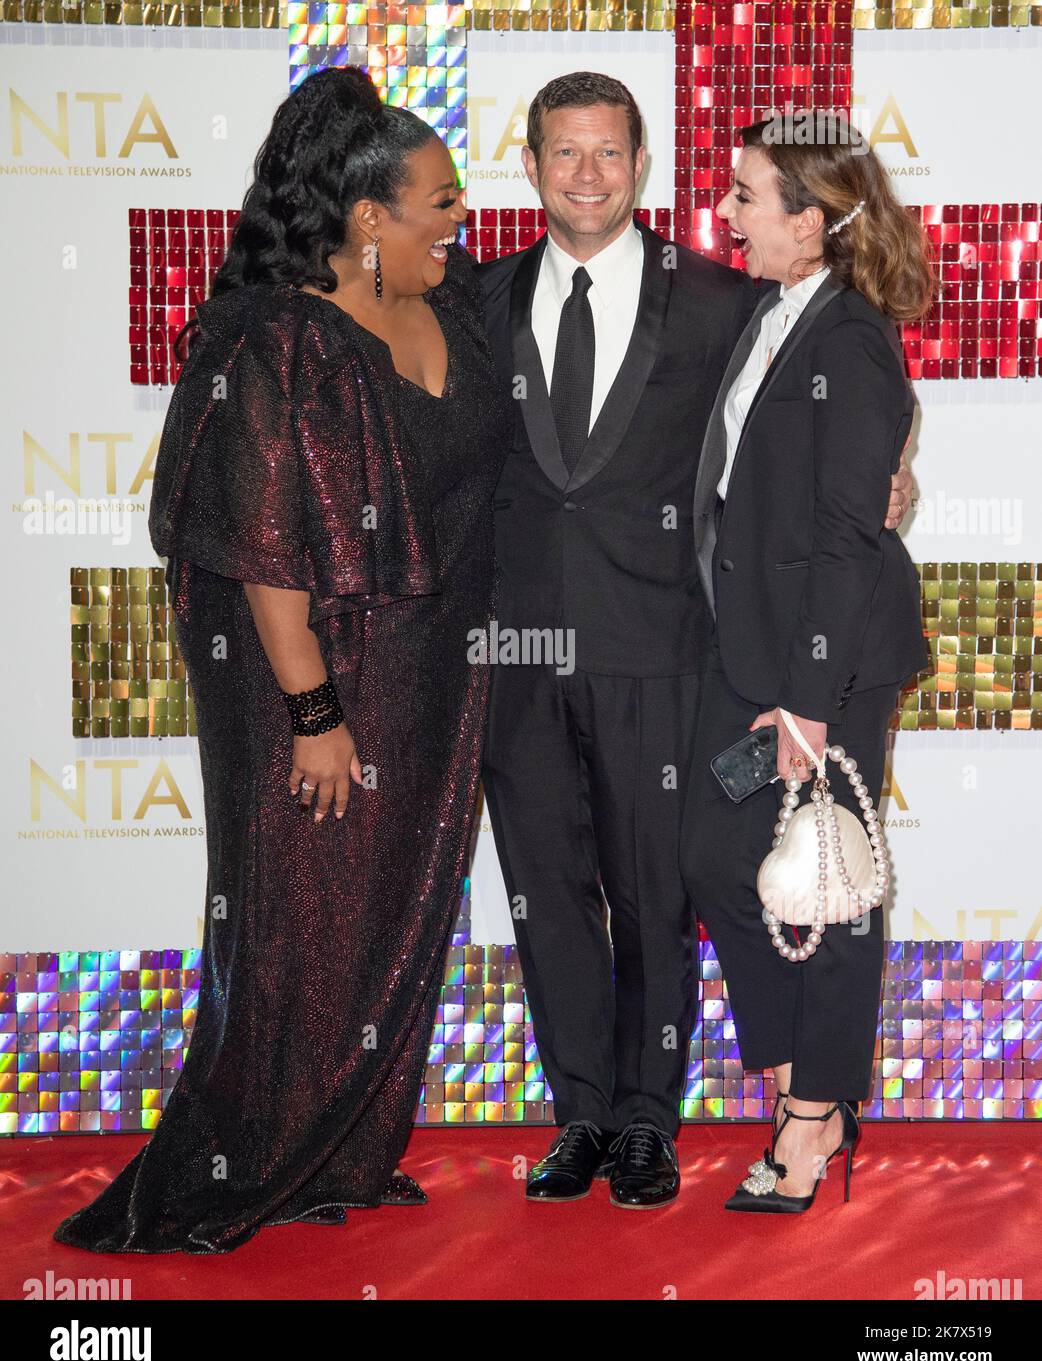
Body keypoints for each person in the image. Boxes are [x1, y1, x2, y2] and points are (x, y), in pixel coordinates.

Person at [53, 66, 510, 1254]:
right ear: (369, 218)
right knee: (296, 923)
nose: (459, 221)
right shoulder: (276, 340)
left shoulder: (454, 307)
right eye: (440, 202)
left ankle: (341, 1147)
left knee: (394, 914)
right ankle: (242, 1157)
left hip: (432, 681)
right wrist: (315, 712)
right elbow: (262, 552)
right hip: (311, 679)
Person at [477, 75, 914, 1209]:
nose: (725, 213)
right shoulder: (488, 301)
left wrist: (880, 497)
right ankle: (678, 1096)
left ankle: (782, 1116)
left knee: (808, 877)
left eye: (609, 153)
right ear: (528, 165)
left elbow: (844, 487)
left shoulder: (729, 297)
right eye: (562, 153)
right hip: (593, 652)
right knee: (674, 869)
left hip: (734, 653)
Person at [679, 112, 933, 1213]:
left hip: (824, 664)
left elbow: (845, 537)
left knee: (828, 885)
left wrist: (811, 704)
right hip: (750, 651)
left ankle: (815, 1114)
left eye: (744, 197)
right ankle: (793, 1071)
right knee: (709, 855)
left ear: (811, 221)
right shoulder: (772, 312)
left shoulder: (851, 341)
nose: (726, 214)